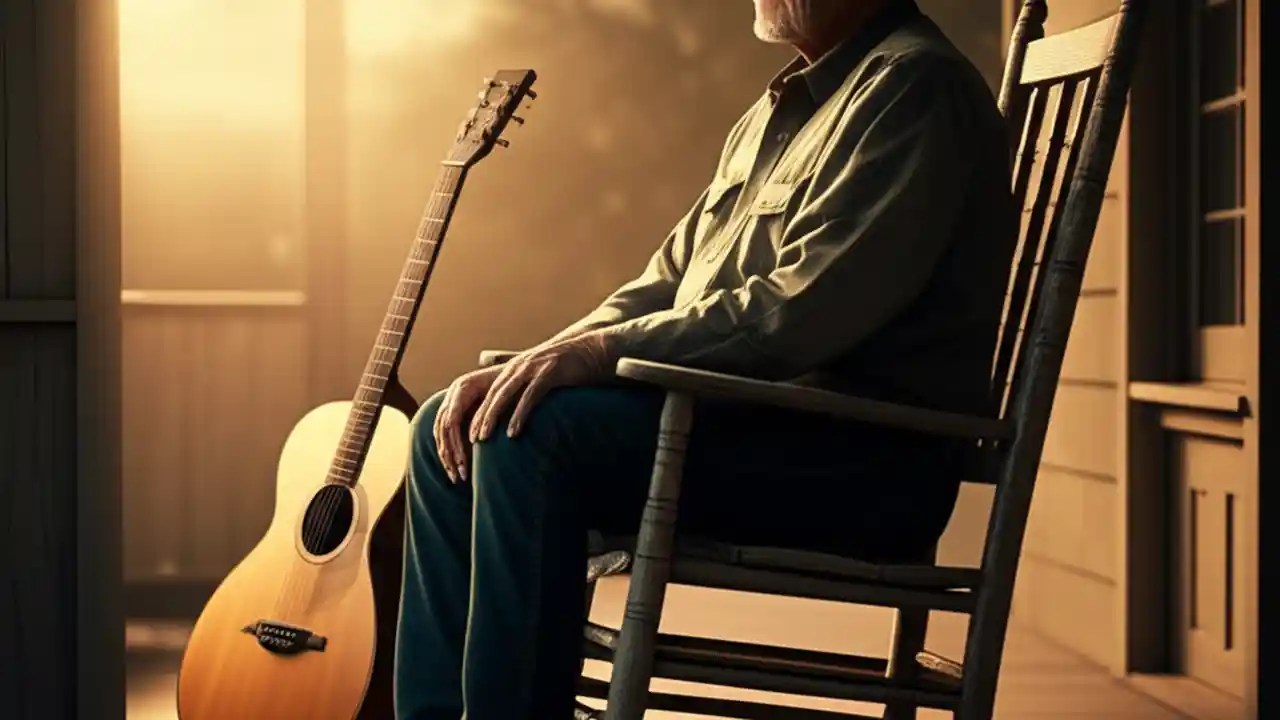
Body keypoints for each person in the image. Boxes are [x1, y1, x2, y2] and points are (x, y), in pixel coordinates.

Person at [394, 0, 1014, 717]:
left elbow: (795, 315)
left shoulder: (915, 90)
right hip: (751, 431)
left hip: (857, 464)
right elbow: (663, 283)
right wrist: (543, 359)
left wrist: (599, 356)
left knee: (529, 437)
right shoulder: (777, 111)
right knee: (454, 419)